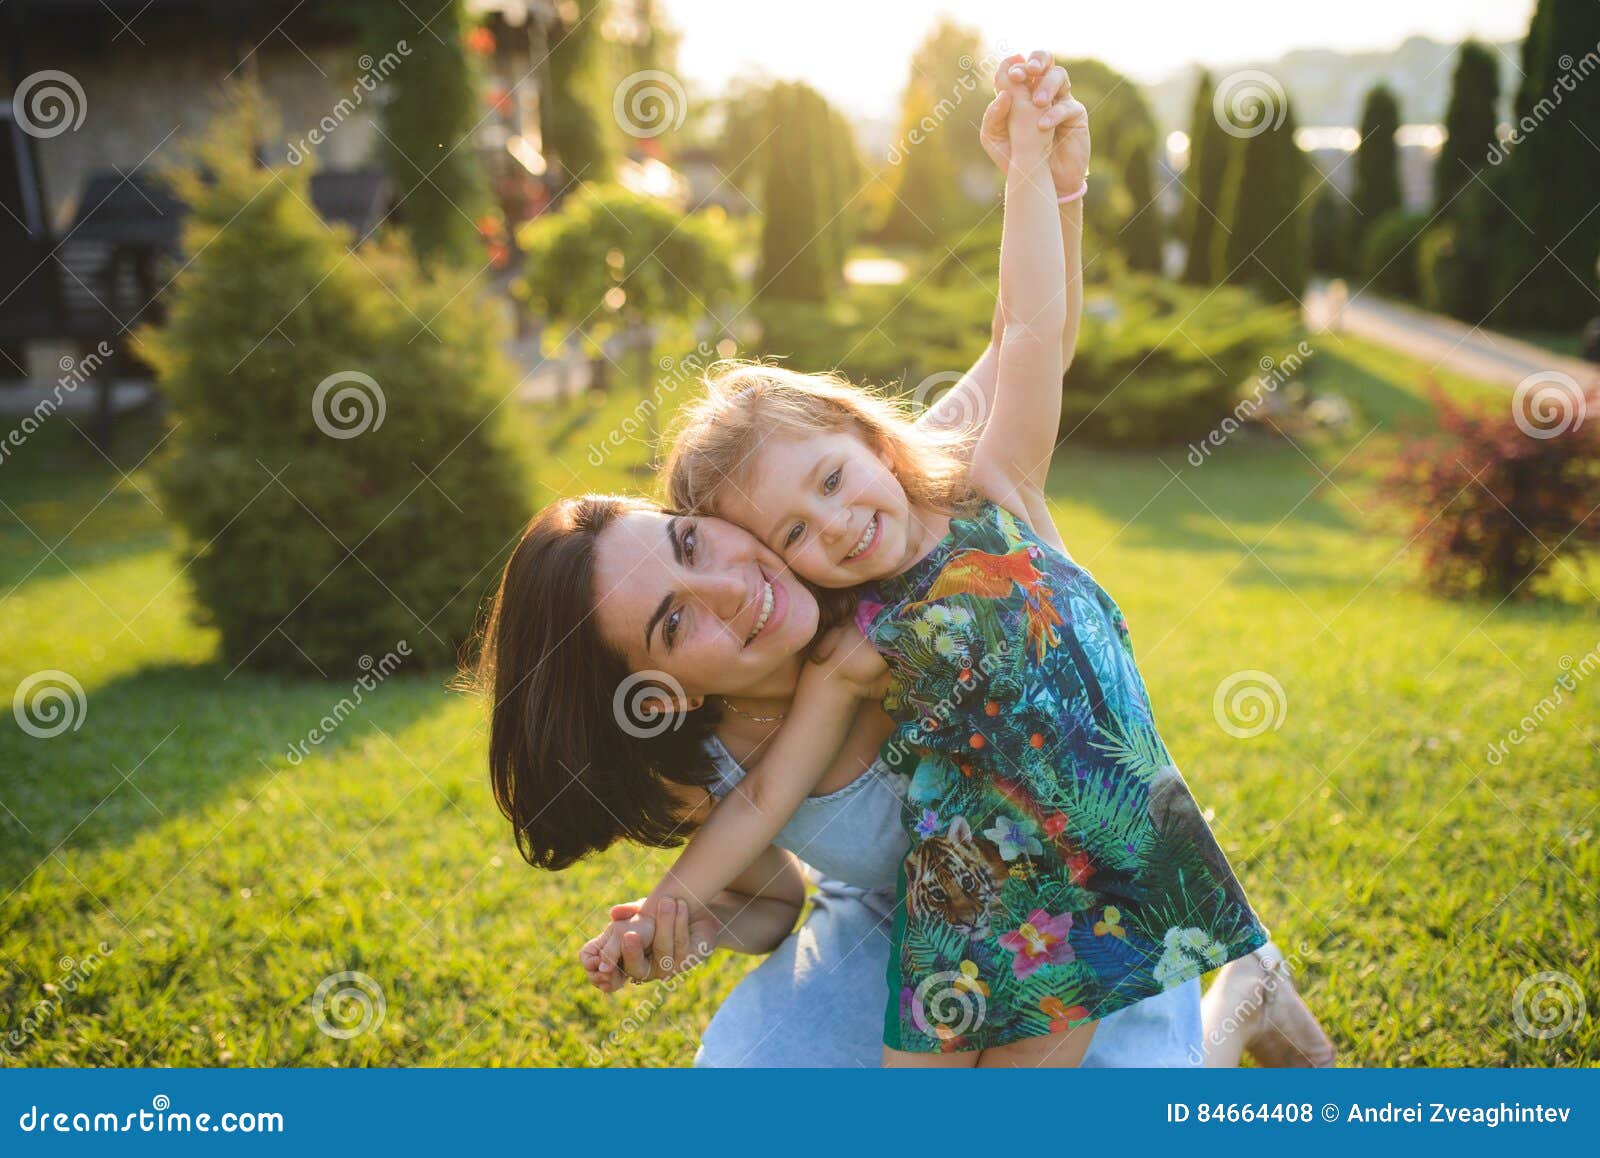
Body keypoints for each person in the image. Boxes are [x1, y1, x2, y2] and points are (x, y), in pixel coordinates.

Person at [478, 50, 1334, 1069]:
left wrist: (1048, 178)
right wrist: (680, 915)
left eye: (689, 543)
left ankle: (1241, 991)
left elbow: (1030, 337)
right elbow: (766, 879)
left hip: (1087, 855)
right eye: (674, 621)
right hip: (941, 900)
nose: (740, 581)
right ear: (651, 693)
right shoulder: (822, 635)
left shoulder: (916, 489)